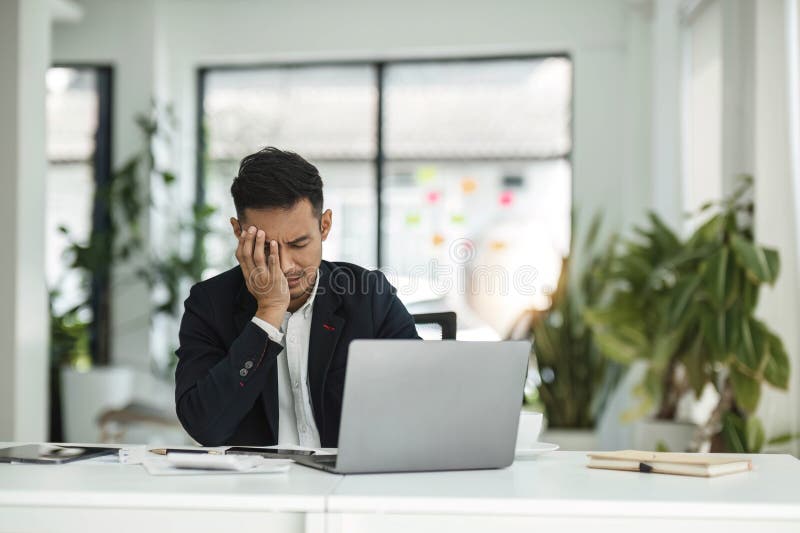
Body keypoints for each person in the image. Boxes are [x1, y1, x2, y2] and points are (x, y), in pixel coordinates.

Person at [174, 147, 419, 447]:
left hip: (351, 483)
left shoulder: (369, 296)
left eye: (299, 243)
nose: (286, 265)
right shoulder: (209, 305)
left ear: (325, 225)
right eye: (266, 248)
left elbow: (420, 402)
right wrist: (268, 314)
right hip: (257, 489)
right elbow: (205, 427)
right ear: (239, 233)